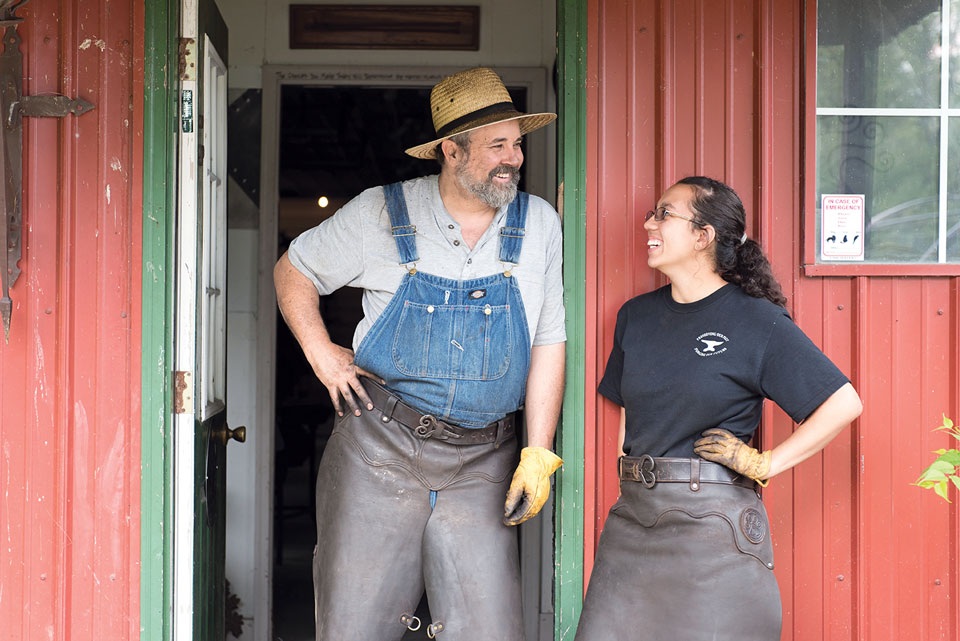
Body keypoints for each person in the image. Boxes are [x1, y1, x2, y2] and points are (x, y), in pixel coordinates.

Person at [273, 67, 566, 641]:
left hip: (485, 460)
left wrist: (538, 449)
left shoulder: (540, 224)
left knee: (489, 629)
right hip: (377, 451)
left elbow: (548, 340)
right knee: (354, 625)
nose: (515, 159)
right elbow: (294, 270)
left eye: (518, 144)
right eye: (497, 146)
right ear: (450, 152)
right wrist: (319, 352)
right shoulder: (380, 213)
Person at [574, 176, 863, 640]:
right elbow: (629, 408)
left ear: (702, 236)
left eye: (664, 214)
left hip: (712, 528)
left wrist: (766, 462)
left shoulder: (756, 320)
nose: (649, 222)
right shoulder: (635, 316)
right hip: (634, 521)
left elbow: (843, 402)